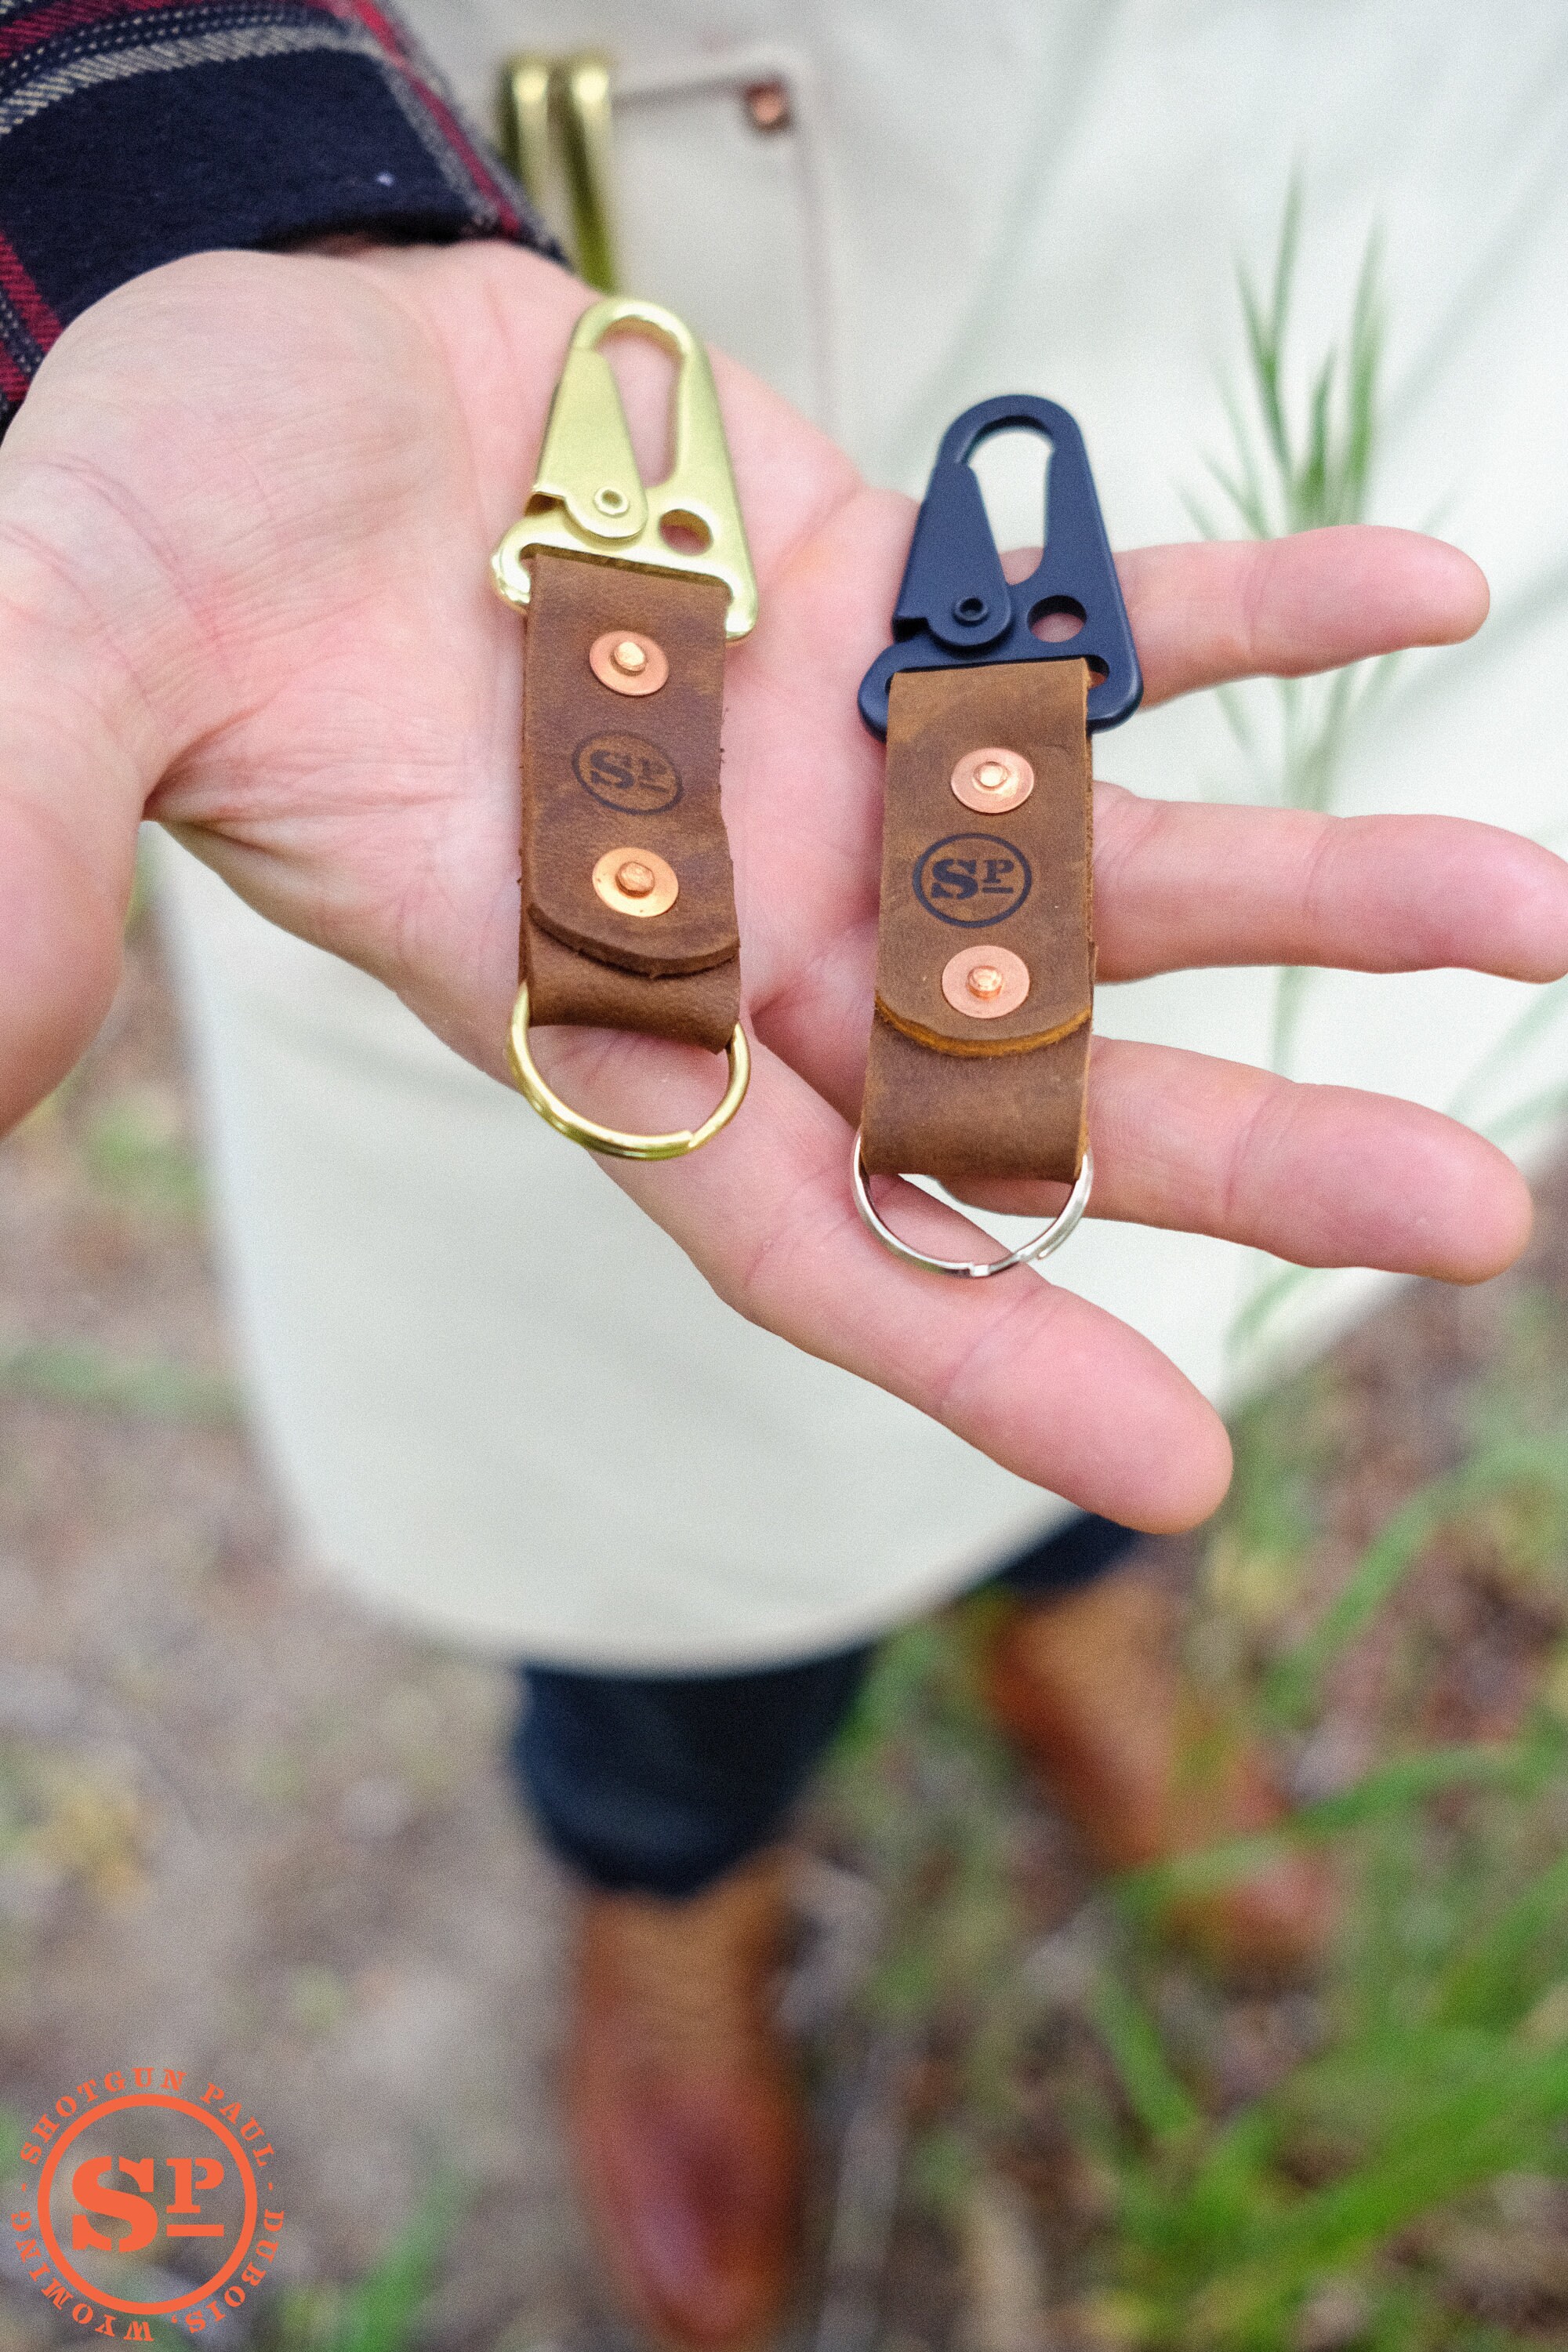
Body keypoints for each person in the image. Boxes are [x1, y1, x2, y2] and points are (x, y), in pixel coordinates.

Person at [4, 5, 1567, 2343]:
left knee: (1166, 1283)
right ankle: (672, 1884)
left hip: (1415, 262)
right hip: (577, 233)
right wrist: (207, 151)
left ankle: (1077, 1626)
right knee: (655, 1475)